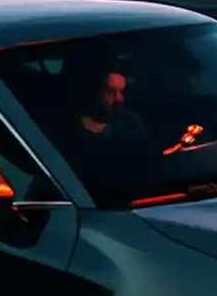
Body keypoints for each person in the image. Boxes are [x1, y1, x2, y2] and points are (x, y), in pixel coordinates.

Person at [55, 55, 159, 205]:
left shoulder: (131, 125)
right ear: (91, 90)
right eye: (110, 91)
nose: (118, 99)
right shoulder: (63, 135)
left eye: (121, 91)